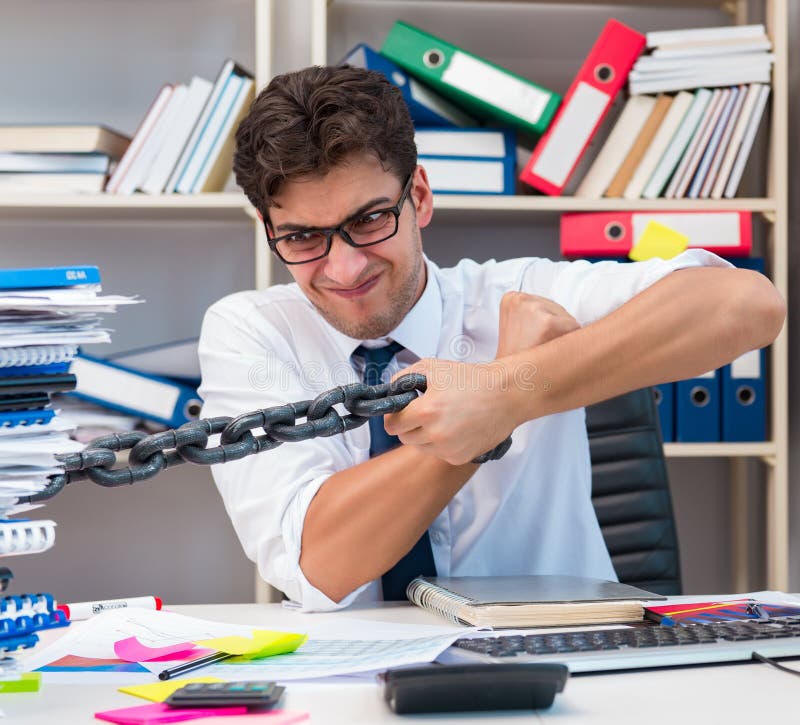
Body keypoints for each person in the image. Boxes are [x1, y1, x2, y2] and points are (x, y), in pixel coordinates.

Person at [198, 65, 785, 612]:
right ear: (269, 230)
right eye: (303, 238)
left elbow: (747, 305)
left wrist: (508, 390)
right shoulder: (251, 332)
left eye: (370, 220)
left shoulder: (519, 291)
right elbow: (321, 562)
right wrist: (494, 407)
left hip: (567, 652)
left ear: (419, 196)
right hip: (353, 683)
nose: (345, 268)